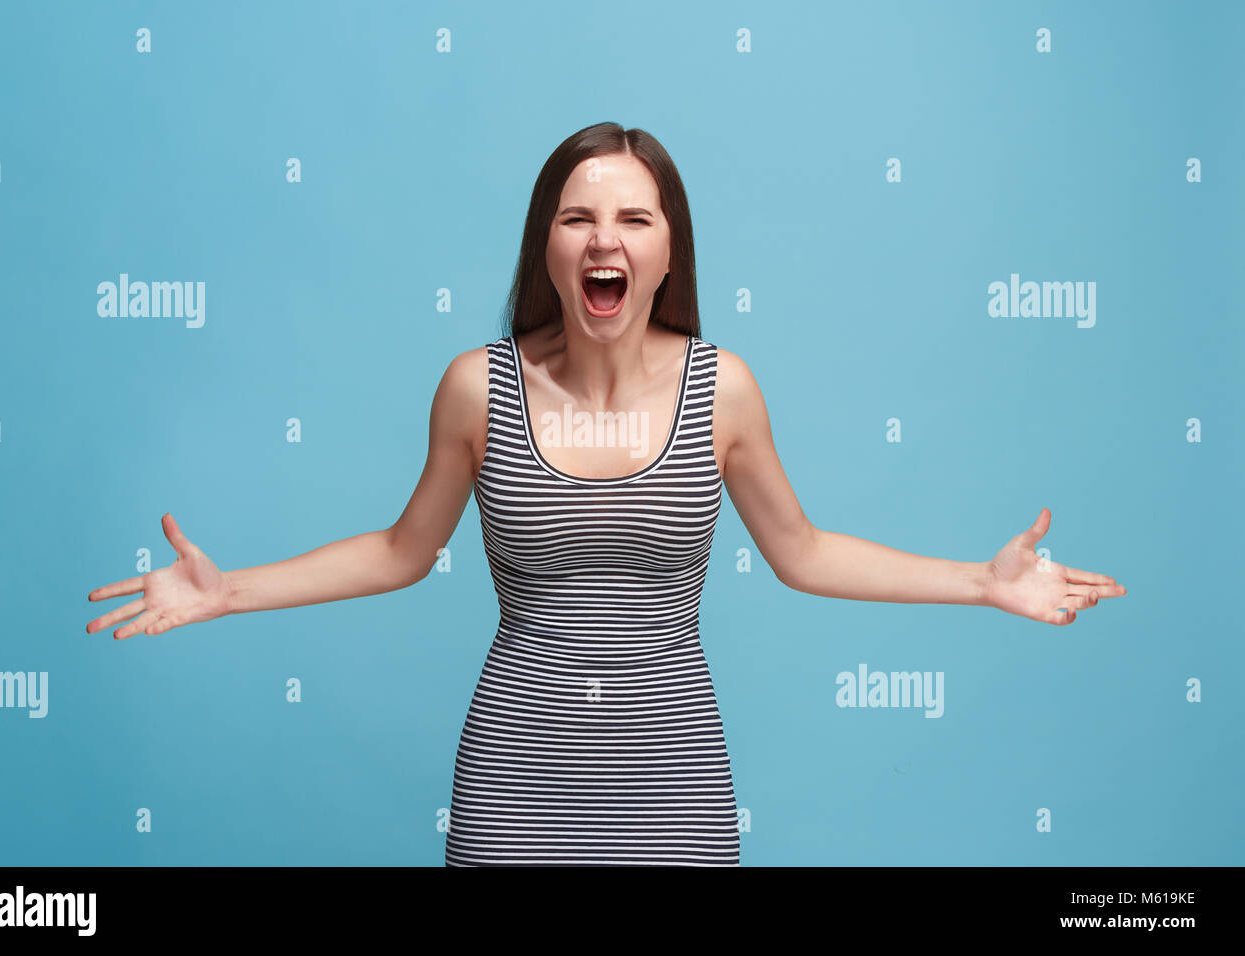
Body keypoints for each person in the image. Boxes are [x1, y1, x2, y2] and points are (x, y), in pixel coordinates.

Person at [86, 122, 1127, 866]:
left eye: (634, 216)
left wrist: (980, 583)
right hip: (514, 781)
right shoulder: (475, 386)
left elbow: (802, 550)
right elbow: (403, 549)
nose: (604, 238)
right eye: (576, 216)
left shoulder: (723, 389)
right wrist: (229, 592)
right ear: (546, 242)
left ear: (668, 246)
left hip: (674, 786)